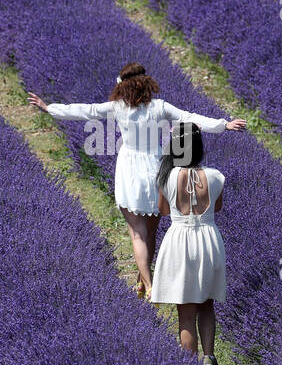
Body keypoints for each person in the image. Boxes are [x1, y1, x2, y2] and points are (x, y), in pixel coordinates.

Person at [28, 63, 245, 298]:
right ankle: (145, 280)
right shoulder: (159, 107)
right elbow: (189, 118)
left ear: (123, 86)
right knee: (151, 232)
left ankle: (148, 284)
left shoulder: (119, 108)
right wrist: (224, 124)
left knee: (137, 233)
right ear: (147, 84)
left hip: (130, 169)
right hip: (156, 167)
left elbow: (87, 111)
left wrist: (50, 108)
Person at [150, 122, 227, 365]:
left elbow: (162, 210)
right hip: (207, 240)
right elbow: (216, 208)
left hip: (179, 241)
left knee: (185, 311)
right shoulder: (215, 176)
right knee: (206, 304)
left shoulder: (167, 177)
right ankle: (209, 357)